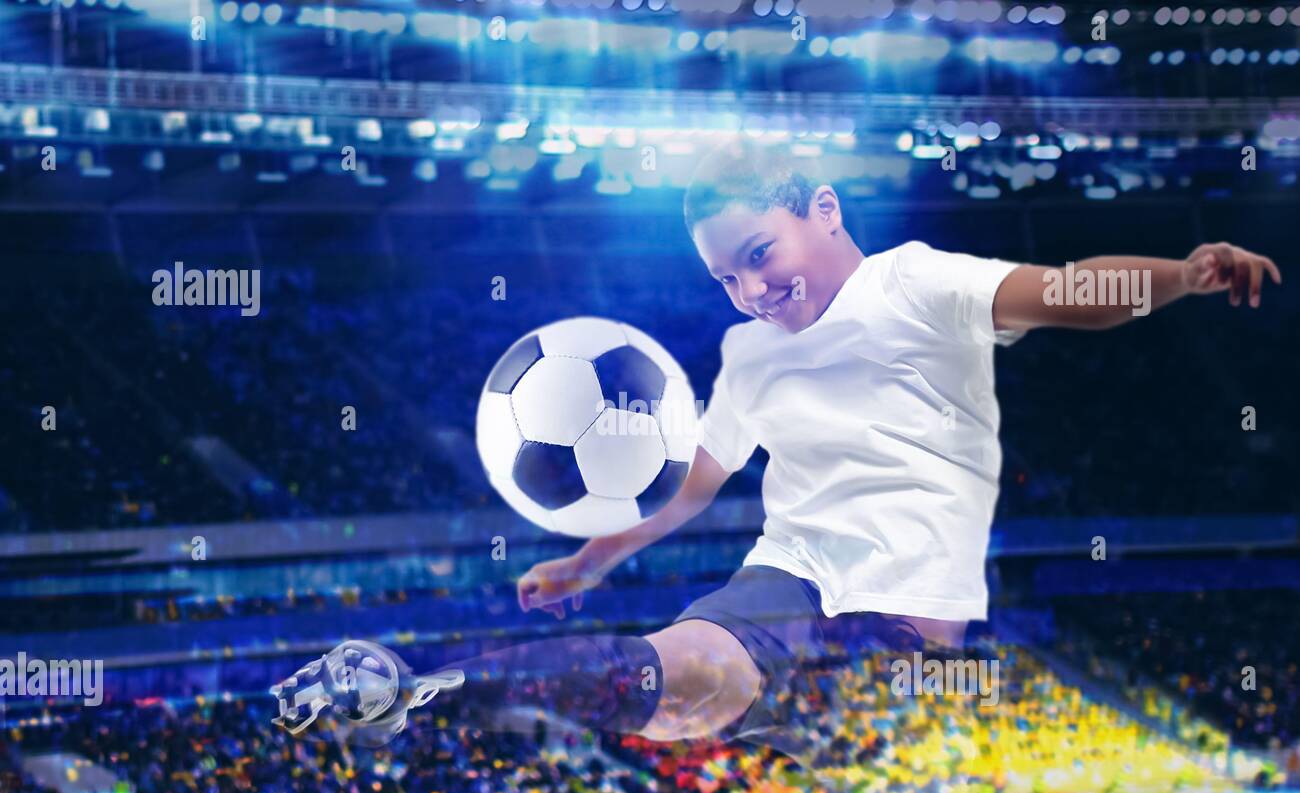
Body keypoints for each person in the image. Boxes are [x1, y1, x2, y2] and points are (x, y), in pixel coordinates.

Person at [271, 138, 1281, 759]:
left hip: (900, 614)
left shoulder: (918, 284)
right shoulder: (748, 352)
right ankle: (418, 685)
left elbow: (1069, 291)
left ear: (824, 211)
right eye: (724, 278)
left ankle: (766, 720)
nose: (750, 291)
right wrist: (589, 558)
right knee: (676, 673)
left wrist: (1185, 273)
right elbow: (692, 485)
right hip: (789, 580)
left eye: (759, 256)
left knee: (701, 704)